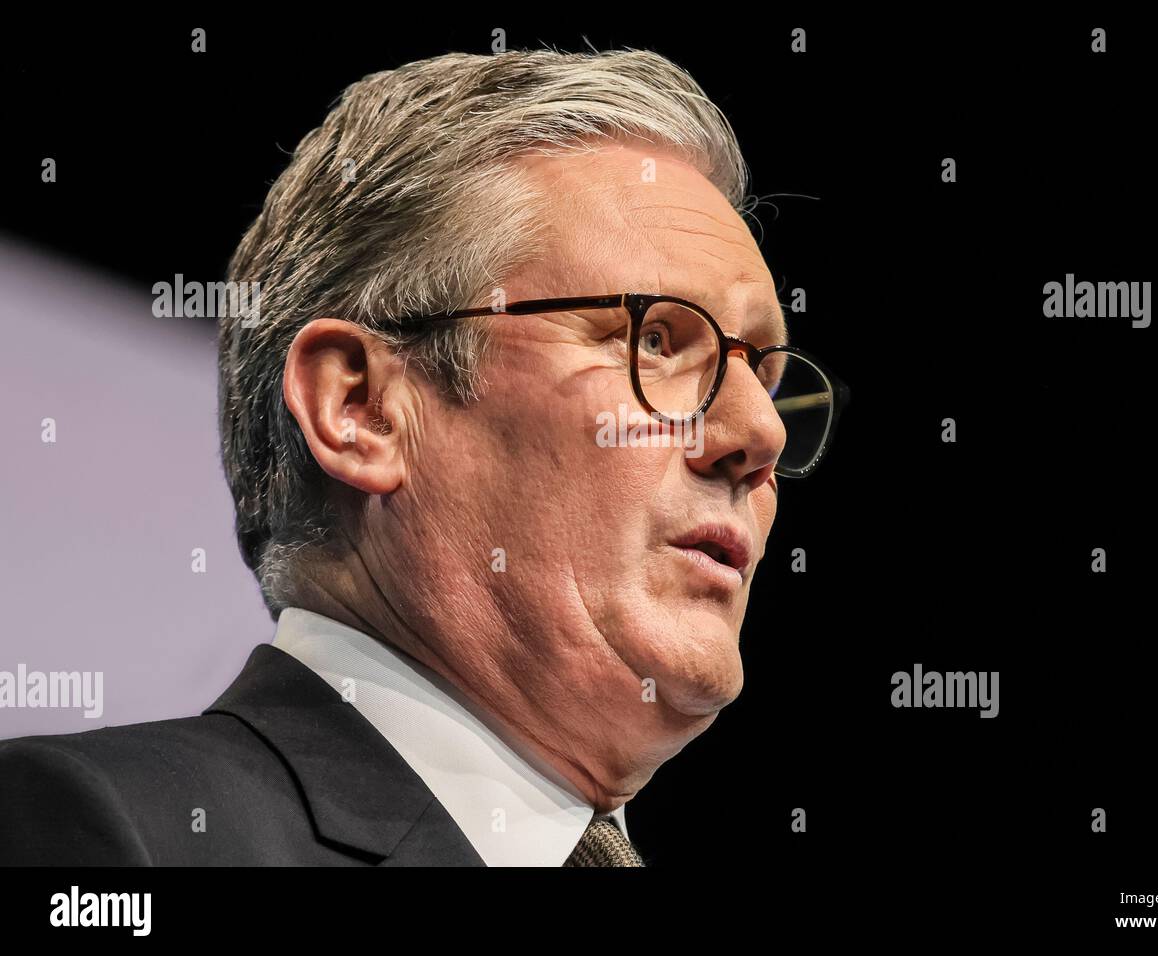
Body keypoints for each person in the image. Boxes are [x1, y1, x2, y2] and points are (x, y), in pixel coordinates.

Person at [0, 48, 846, 866]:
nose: (759, 435)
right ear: (361, 409)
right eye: (656, 339)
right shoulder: (104, 833)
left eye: (766, 378)